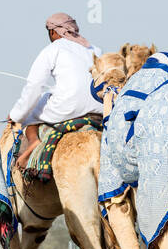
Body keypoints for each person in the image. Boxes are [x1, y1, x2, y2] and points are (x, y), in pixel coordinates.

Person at [7, 12, 104, 173]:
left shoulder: (52, 50)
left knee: (29, 115)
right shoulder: (97, 50)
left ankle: (33, 142)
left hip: (67, 108)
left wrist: (16, 115)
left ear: (53, 32)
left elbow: (34, 86)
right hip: (99, 109)